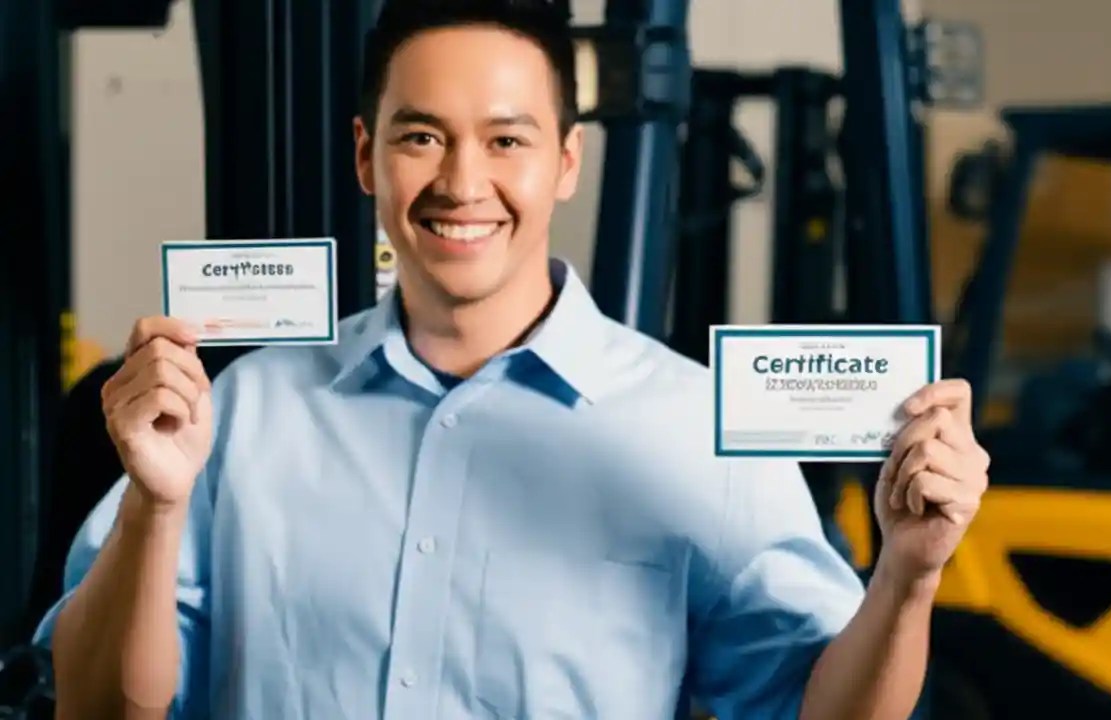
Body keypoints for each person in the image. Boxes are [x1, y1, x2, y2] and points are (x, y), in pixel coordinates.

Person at [34, 0, 991, 718]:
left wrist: (908, 574)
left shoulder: (694, 432)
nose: (461, 183)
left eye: (506, 140)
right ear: (367, 157)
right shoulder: (242, 413)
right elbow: (100, 706)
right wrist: (157, 508)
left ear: (565, 162)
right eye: (421, 137)